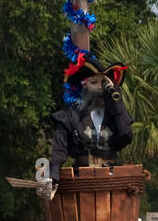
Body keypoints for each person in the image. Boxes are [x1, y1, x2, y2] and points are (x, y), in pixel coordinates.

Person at [48, 59, 132, 189]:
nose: (99, 88)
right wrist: (53, 177)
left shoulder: (116, 115)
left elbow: (126, 136)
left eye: (104, 83)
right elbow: (59, 150)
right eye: (93, 82)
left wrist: (117, 105)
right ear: (82, 86)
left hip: (112, 183)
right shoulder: (69, 116)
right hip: (80, 183)